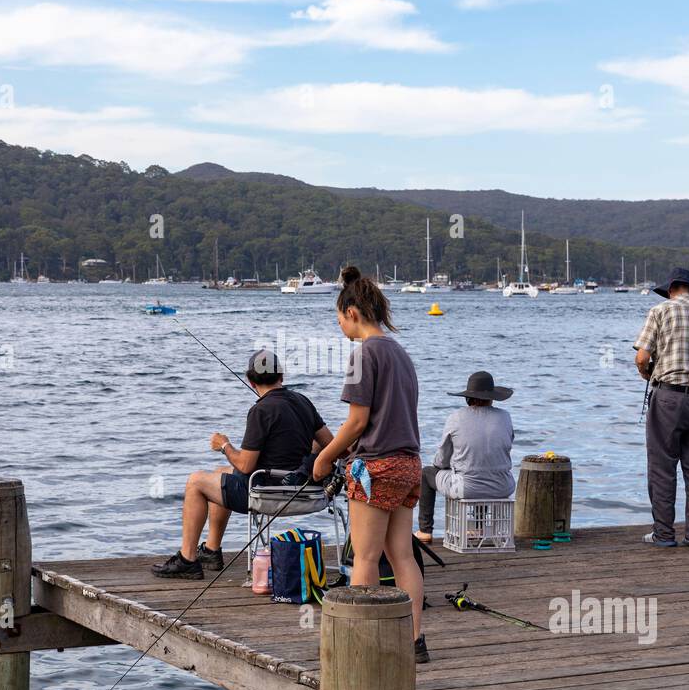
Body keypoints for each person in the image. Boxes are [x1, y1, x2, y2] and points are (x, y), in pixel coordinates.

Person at [311, 267, 428, 662]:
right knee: (402, 556)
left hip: (376, 469)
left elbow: (358, 422)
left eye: (339, 319)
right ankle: (414, 640)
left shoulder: (364, 354)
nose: (341, 327)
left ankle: (366, 646)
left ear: (353, 313)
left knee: (363, 557)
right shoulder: (400, 353)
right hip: (410, 466)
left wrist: (325, 456)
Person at [153, 349, 333, 579]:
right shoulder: (302, 401)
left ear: (250, 380)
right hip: (304, 490)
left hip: (269, 493)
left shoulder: (261, 410)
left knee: (196, 482)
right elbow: (331, 444)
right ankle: (211, 550)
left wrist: (224, 445)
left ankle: (188, 559)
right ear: (282, 376)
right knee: (220, 473)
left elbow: (247, 465)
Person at [633, 267, 689, 549]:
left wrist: (648, 372)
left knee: (662, 468)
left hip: (670, 398)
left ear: (671, 288)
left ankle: (664, 534)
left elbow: (641, 357)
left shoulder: (660, 311)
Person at [416, 371, 515, 542]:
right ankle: (478, 527)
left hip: (467, 488)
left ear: (468, 398)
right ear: (492, 398)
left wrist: (449, 465)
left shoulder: (456, 417)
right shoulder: (505, 417)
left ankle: (425, 531)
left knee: (426, 474)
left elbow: (441, 460)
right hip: (502, 486)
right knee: (481, 467)